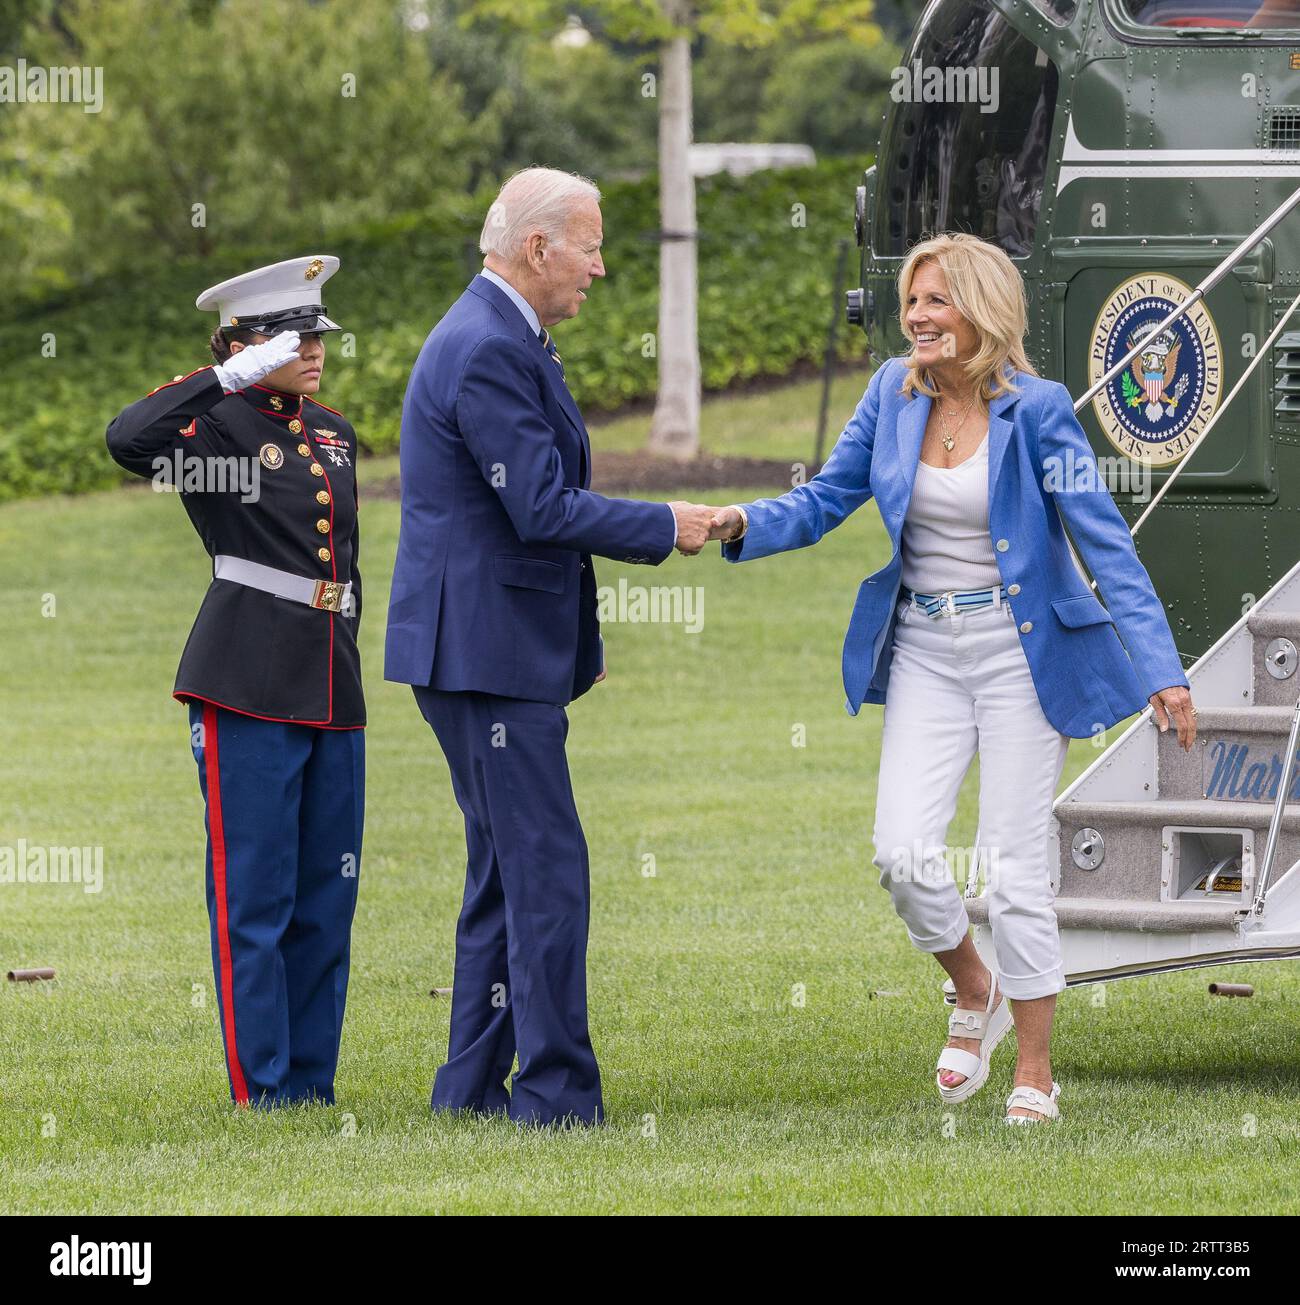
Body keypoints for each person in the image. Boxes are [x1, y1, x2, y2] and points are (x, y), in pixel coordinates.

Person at [706, 232, 1197, 1124]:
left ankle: (1035, 1074)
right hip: (927, 652)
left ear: (982, 309)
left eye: (936, 301)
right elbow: (822, 501)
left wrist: (1160, 668)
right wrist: (741, 517)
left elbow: (1103, 541)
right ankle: (977, 987)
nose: (917, 317)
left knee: (1014, 872)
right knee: (901, 853)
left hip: (1020, 656)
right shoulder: (890, 396)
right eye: (912, 302)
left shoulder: (1040, 409)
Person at [385, 166, 714, 1128]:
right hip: (482, 657)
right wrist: (666, 521)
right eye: (593, 246)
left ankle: (470, 1090)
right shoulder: (488, 345)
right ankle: (557, 1095)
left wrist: (577, 641)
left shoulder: (499, 334)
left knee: (504, 871)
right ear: (538, 249)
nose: (601, 269)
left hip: (483, 651)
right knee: (544, 871)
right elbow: (539, 508)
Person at [105, 256, 365, 1108]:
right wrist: (223, 379)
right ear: (242, 344)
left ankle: (312, 1087)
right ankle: (263, 1091)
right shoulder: (209, 432)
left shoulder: (332, 432)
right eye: (291, 339)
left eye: (316, 334)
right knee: (257, 895)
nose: (314, 350)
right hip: (245, 678)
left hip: (330, 678)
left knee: (328, 896)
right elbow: (125, 440)